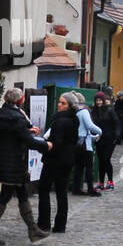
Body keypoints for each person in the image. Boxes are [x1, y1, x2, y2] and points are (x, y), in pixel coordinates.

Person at [0, 88, 52, 246]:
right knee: (5, 196)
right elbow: (28, 141)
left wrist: (26, 131)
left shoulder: (0, 115)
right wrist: (45, 145)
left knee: (22, 193)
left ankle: (33, 230)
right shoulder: (17, 118)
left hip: (4, 159)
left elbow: (12, 134)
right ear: (20, 101)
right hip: (13, 162)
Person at [37, 94, 80, 233]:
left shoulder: (60, 121)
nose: (59, 105)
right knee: (61, 192)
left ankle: (44, 223)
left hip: (54, 160)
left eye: (63, 103)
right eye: (59, 102)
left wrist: (45, 147)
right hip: (67, 160)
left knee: (44, 188)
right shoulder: (74, 119)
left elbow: (56, 143)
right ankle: (60, 225)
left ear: (70, 106)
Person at [69, 92, 103, 196]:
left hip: (77, 142)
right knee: (89, 167)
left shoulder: (74, 112)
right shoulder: (84, 111)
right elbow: (89, 126)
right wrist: (100, 131)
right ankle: (90, 189)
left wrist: (93, 137)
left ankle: (76, 188)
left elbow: (81, 130)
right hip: (85, 144)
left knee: (78, 167)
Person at [92, 92, 120, 191]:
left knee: (106, 159)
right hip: (99, 139)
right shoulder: (94, 112)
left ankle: (110, 181)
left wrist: (117, 135)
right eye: (97, 100)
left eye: (100, 100)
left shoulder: (109, 111)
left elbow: (116, 122)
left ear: (103, 101)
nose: (98, 102)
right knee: (101, 161)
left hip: (110, 139)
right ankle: (101, 182)